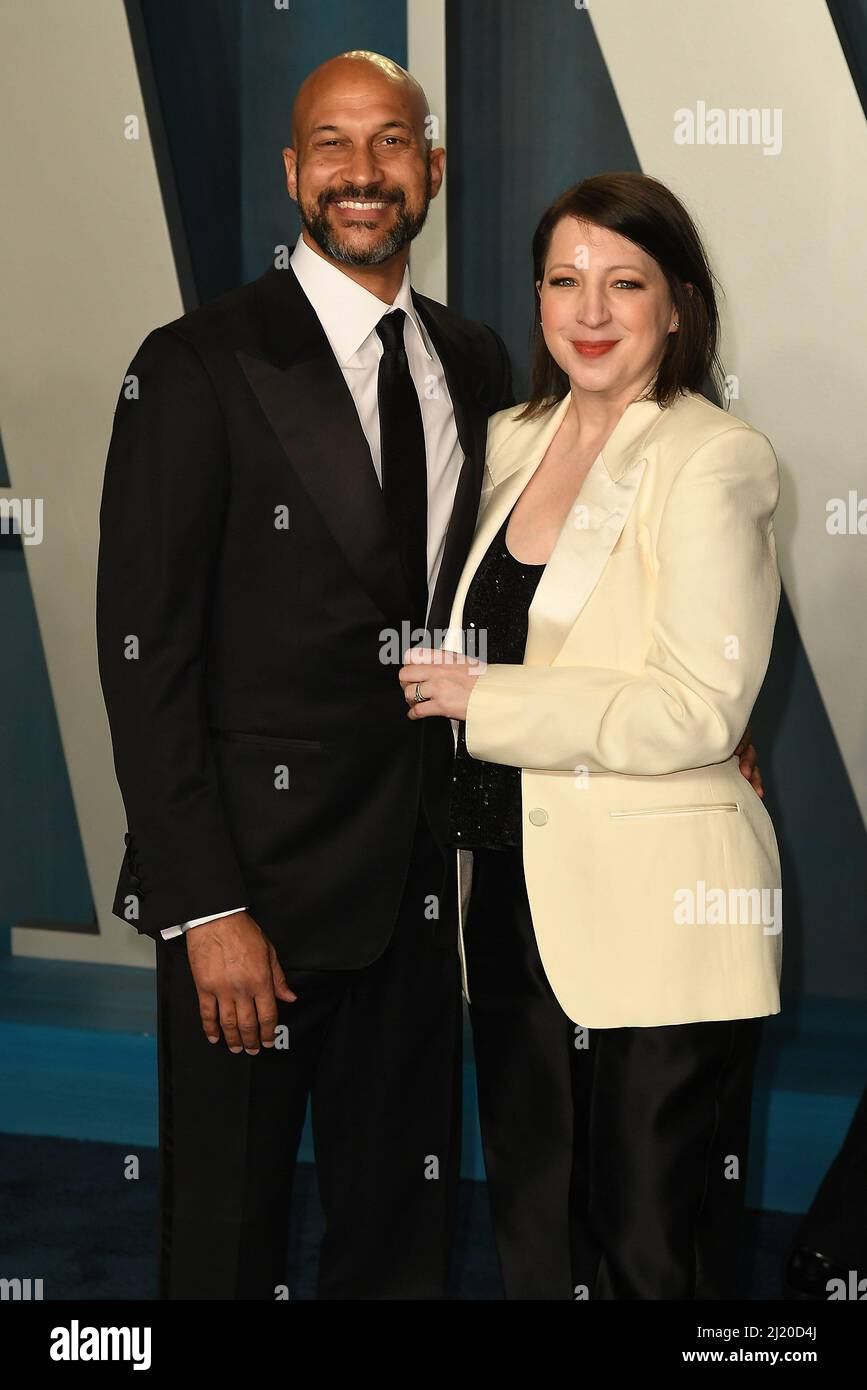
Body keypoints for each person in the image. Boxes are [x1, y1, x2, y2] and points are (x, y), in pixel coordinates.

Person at [96, 50, 516, 1300]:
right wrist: (204, 906)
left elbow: (506, 595)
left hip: (418, 889)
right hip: (253, 899)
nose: (361, 172)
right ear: (292, 173)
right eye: (331, 145)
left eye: (390, 142)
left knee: (399, 1232)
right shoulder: (197, 363)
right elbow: (145, 656)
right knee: (226, 1235)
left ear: (432, 169)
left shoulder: (474, 360)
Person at [399, 172, 782, 1299]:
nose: (592, 311)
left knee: (655, 1254)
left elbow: (699, 706)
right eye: (565, 281)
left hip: (664, 911)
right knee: (536, 1236)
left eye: (626, 283)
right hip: (513, 897)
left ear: (678, 305)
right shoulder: (509, 439)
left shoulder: (714, 456)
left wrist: (489, 699)